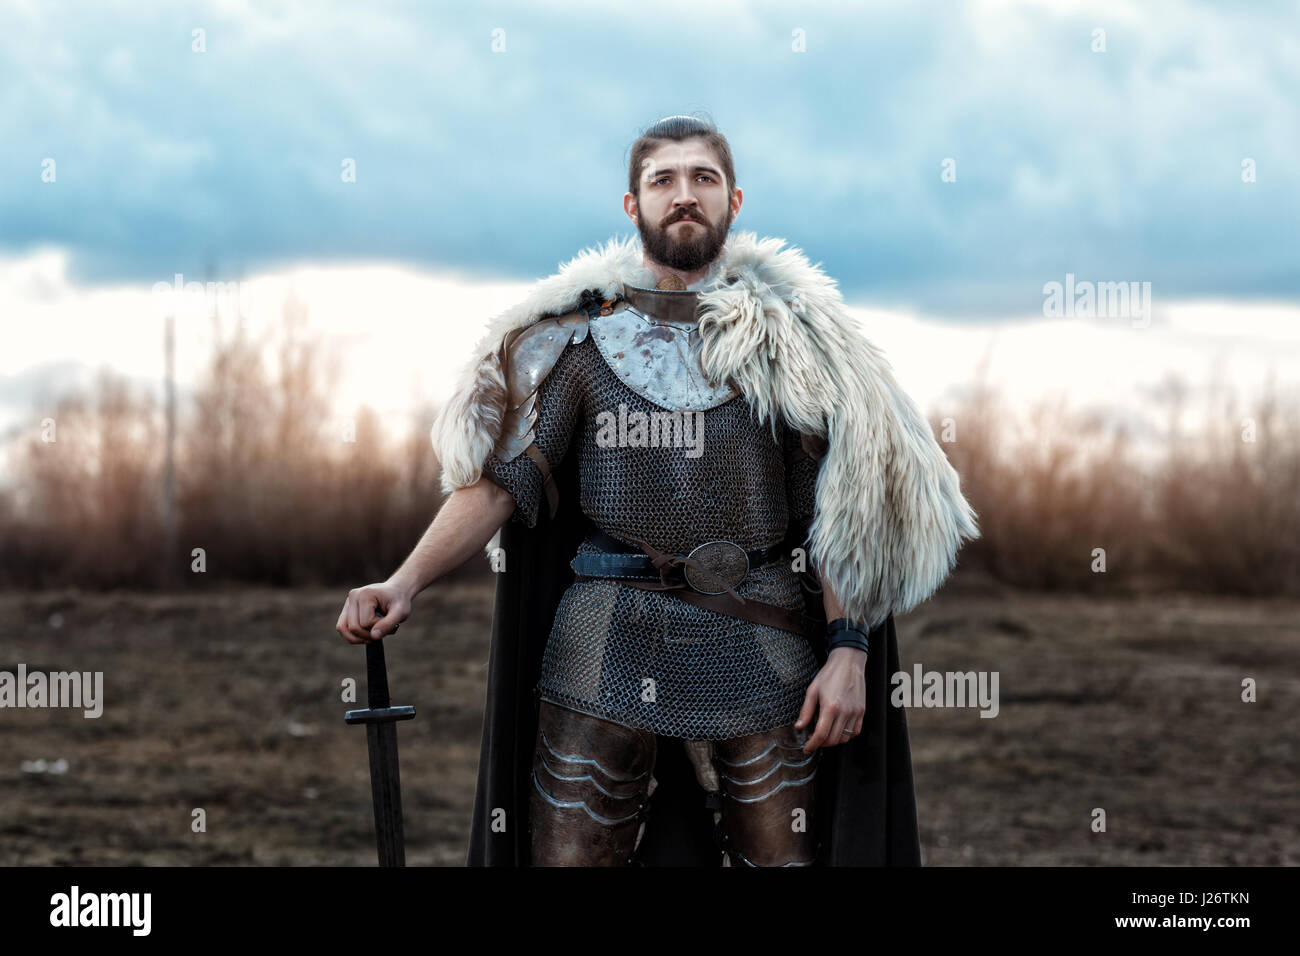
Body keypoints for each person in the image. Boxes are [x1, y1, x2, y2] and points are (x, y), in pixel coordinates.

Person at [336, 115, 979, 866]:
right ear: (631, 205)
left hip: (761, 636)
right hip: (602, 638)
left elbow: (833, 518)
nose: (684, 196)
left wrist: (846, 651)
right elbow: (499, 486)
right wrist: (403, 581)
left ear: (733, 201)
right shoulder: (576, 342)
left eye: (702, 179)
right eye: (663, 180)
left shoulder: (790, 349)